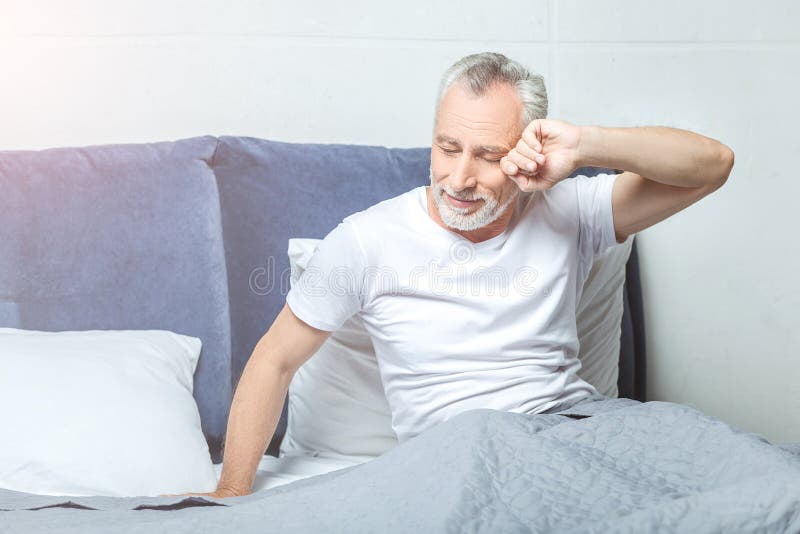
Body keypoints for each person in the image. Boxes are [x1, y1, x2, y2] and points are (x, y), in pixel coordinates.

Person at [169, 51, 734, 498]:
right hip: (462, 452)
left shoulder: (571, 208)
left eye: (488, 155)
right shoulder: (367, 241)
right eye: (447, 147)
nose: (459, 178)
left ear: (527, 150)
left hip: (575, 429)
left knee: (734, 473)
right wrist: (232, 493)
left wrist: (586, 145)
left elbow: (712, 167)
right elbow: (274, 360)